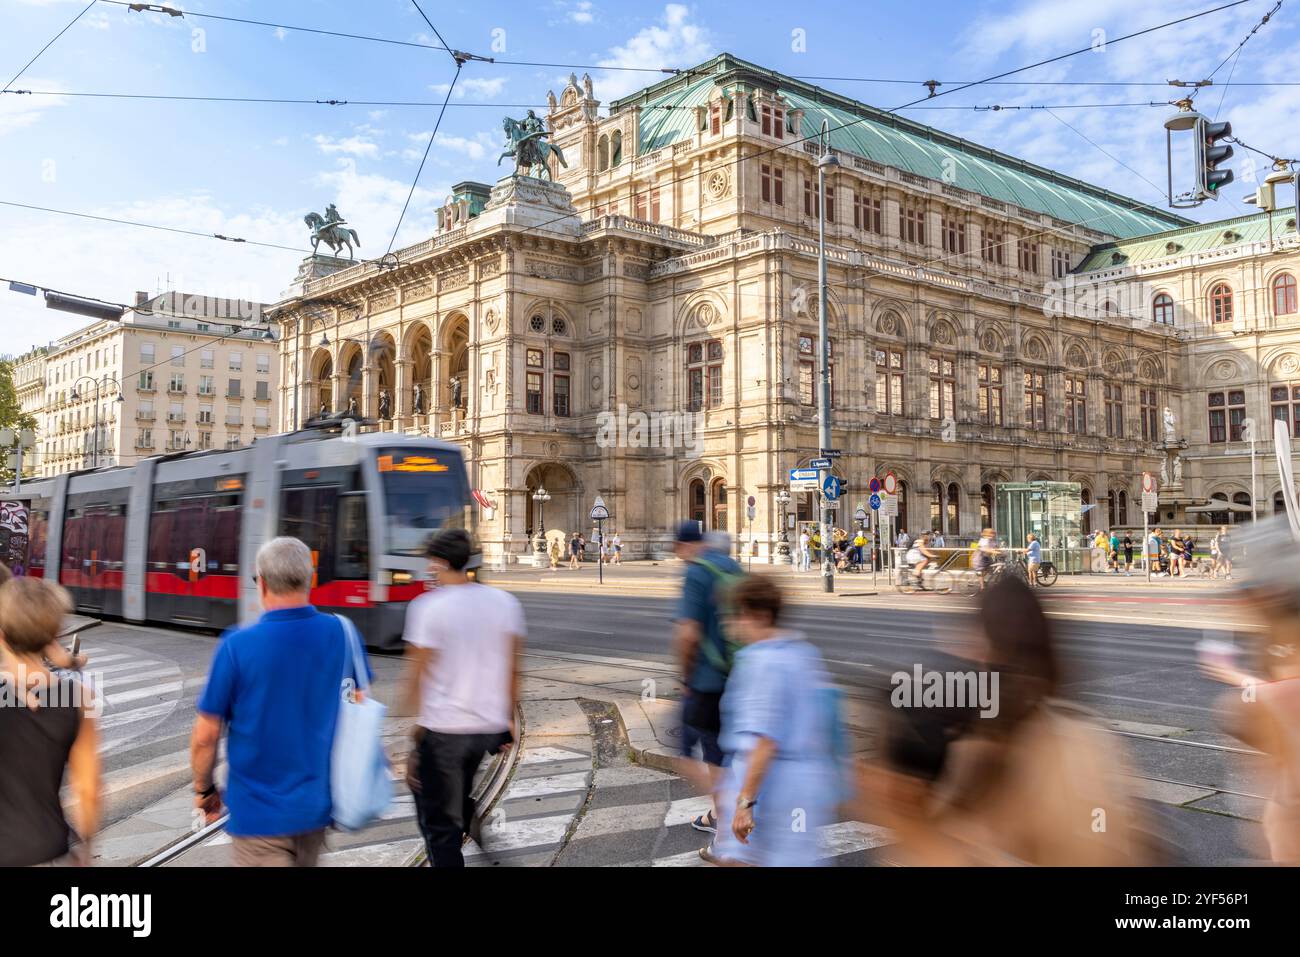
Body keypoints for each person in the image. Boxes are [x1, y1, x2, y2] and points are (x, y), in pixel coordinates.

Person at [191, 537, 371, 866]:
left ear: (261, 585)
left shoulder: (237, 645)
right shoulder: (344, 634)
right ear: (311, 579)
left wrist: (204, 791)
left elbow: (205, 735)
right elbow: (360, 708)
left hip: (258, 817)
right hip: (317, 809)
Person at [401, 528, 523, 867]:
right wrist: (508, 722)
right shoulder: (503, 602)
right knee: (450, 792)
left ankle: (461, 828)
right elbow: (513, 669)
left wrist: (413, 734)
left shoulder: (427, 606)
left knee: (438, 826)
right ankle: (468, 818)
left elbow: (417, 677)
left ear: (440, 563)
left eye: (430, 562)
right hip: (487, 728)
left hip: (445, 730)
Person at [709, 575, 838, 866]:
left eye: (737, 614)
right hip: (801, 783)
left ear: (758, 615)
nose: (731, 624)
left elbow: (764, 740)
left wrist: (745, 803)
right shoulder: (802, 652)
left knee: (744, 858)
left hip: (772, 786)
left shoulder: (763, 662)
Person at [0, 577, 101, 867]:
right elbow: (88, 788)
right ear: (53, 636)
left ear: (2, 636)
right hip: (50, 850)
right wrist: (85, 847)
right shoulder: (77, 698)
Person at [672, 520, 744, 841]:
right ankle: (730, 810)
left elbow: (687, 634)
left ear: (683, 546)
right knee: (736, 748)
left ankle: (725, 818)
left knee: (702, 751)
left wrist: (686, 677)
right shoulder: (732, 566)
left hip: (708, 680)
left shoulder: (695, 572)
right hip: (739, 675)